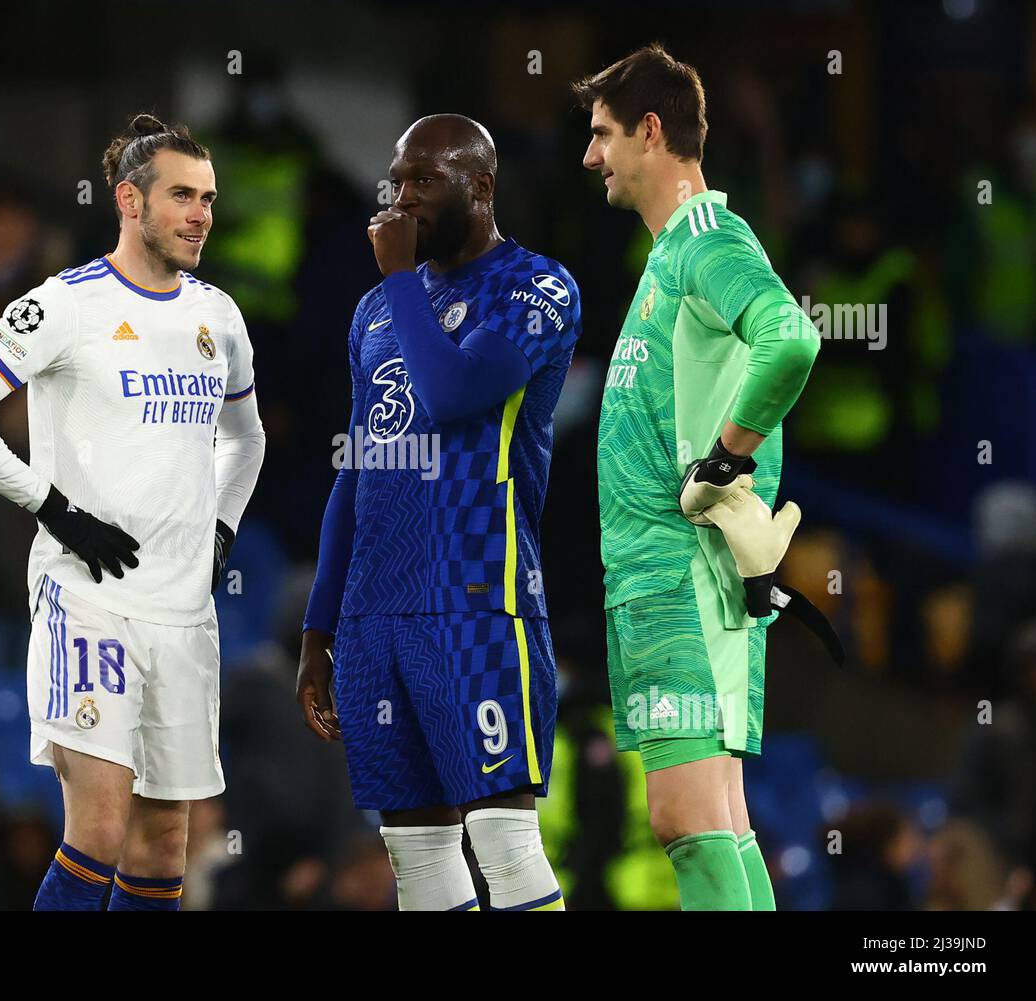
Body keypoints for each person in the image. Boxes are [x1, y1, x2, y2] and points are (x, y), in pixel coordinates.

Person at [0, 114, 265, 910]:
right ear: (129, 201)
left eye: (208, 198)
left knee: (161, 844)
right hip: (89, 600)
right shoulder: (66, 304)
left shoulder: (219, 317)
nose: (201, 214)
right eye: (182, 194)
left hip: (185, 615)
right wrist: (53, 508)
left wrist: (220, 530)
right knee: (99, 830)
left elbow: (246, 440)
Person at [299, 114, 581, 911]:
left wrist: (395, 278)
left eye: (424, 180)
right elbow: (358, 471)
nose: (403, 197)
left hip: (476, 601)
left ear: (480, 187)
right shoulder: (374, 315)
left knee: (506, 847)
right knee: (419, 862)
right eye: (396, 180)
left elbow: (456, 393)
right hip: (374, 616)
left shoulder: (536, 287)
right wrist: (321, 627)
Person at [576, 45, 821, 910]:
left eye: (603, 134)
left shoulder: (706, 239)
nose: (589, 155)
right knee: (720, 820)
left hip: (685, 573)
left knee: (688, 821)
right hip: (666, 577)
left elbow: (792, 337)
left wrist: (729, 455)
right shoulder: (669, 255)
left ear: (652, 132)